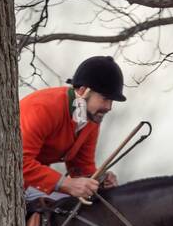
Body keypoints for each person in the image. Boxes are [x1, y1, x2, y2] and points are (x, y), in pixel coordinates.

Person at [20, 56, 126, 204]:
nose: (109, 107)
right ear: (83, 91)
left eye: (111, 101)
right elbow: (18, 162)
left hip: (32, 184)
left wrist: (99, 181)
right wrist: (66, 184)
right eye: (105, 98)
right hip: (4, 182)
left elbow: (81, 167)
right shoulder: (43, 108)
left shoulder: (91, 117)